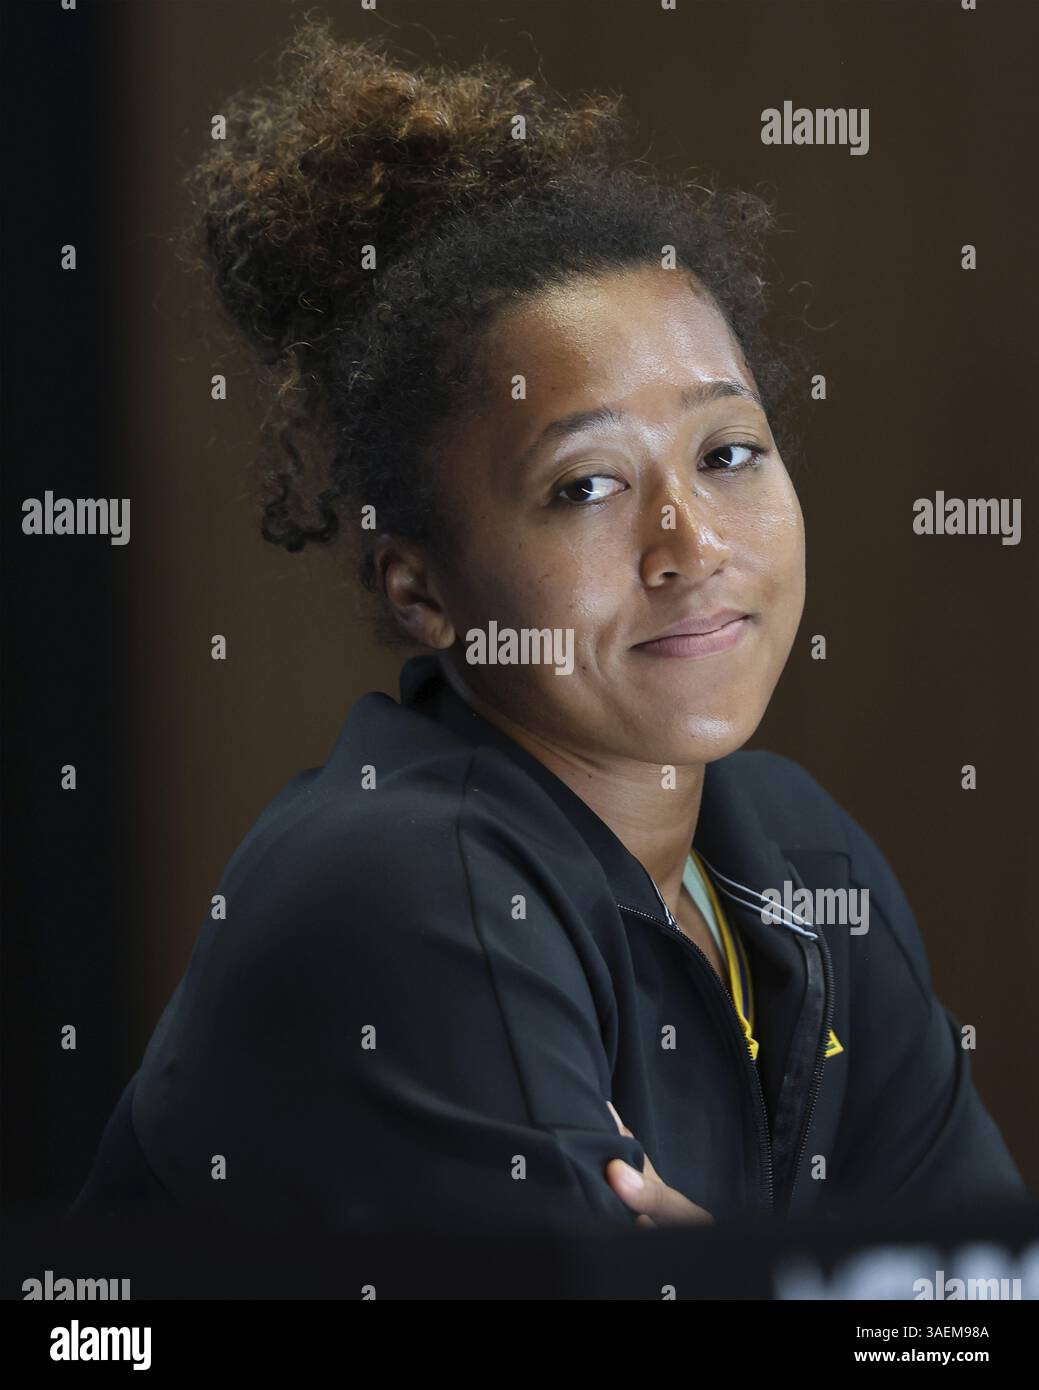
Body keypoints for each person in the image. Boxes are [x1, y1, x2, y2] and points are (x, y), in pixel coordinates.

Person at [70, 19, 1026, 1241]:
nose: (691, 542)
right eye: (585, 487)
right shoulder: (405, 891)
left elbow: (982, 1295)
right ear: (423, 592)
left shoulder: (796, 857)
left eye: (727, 452)